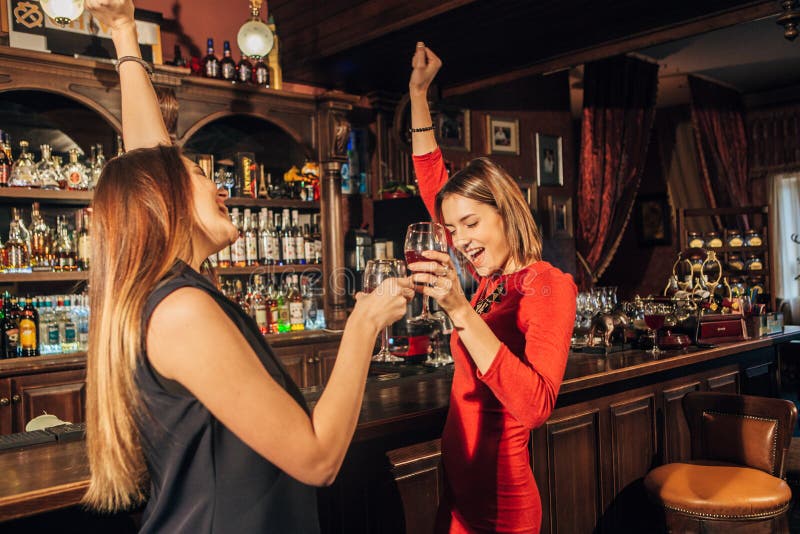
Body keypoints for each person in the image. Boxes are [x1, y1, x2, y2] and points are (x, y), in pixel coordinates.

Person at [81, 1, 413, 532]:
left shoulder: (167, 293)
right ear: (164, 202)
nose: (220, 187)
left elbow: (150, 155)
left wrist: (124, 33)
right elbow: (317, 458)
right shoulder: (179, 311)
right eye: (200, 176)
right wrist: (364, 323)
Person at [407, 42, 577, 533]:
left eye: (472, 223)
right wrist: (418, 95)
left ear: (505, 212)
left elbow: (536, 406)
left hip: (502, 507)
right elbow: (432, 180)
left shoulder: (546, 285)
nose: (459, 239)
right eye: (452, 229)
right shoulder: (490, 280)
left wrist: (460, 310)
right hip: (459, 494)